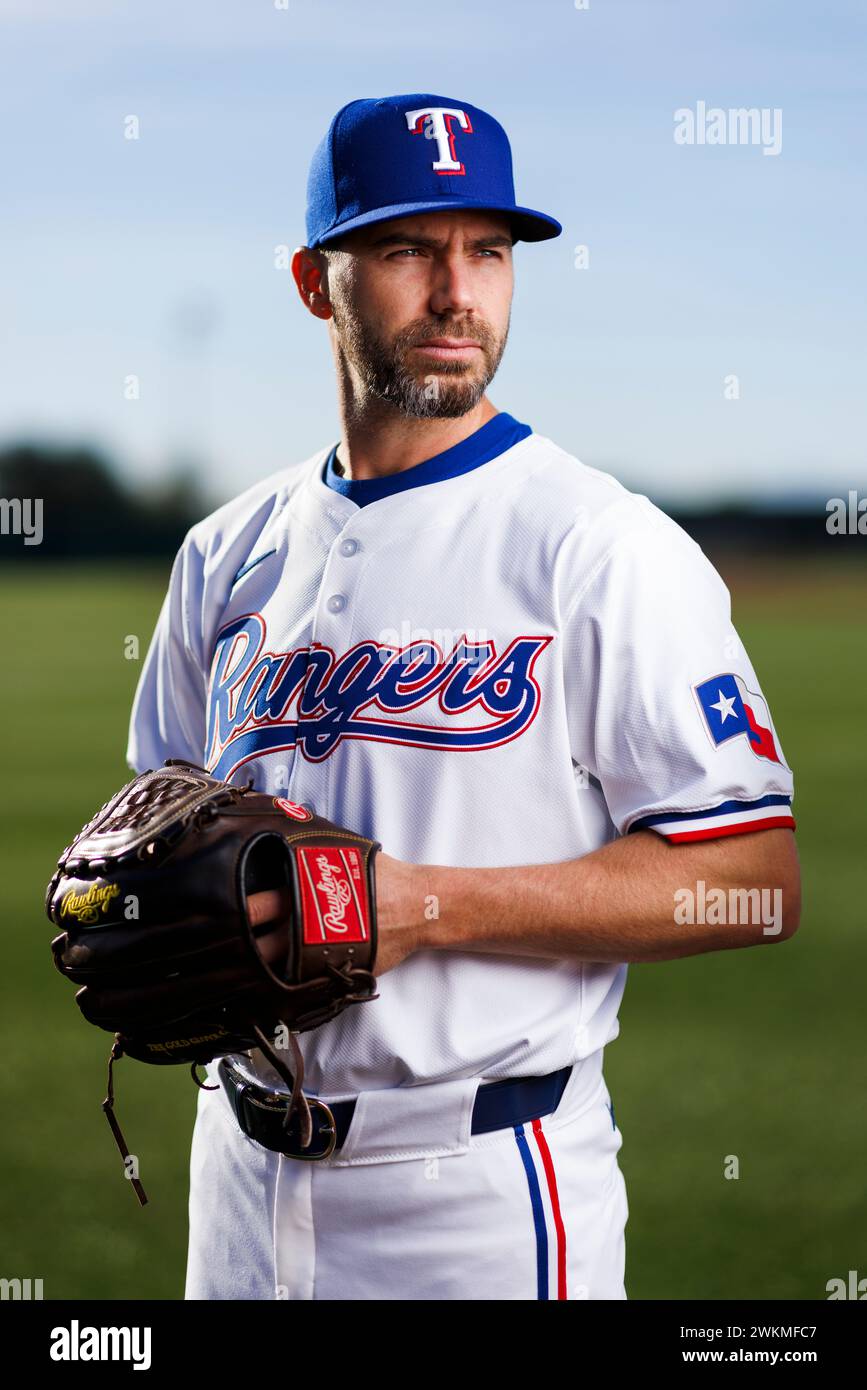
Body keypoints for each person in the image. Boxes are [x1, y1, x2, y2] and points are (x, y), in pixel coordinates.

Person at [128, 93, 801, 1301]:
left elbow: (752, 879)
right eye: (405, 249)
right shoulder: (224, 553)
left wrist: (423, 904)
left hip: (478, 1194)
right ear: (313, 282)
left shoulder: (599, 543)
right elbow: (161, 821)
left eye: (486, 251)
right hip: (233, 1173)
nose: (457, 293)